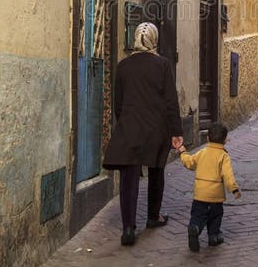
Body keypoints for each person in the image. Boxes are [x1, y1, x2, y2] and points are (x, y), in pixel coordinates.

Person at [103, 22, 183, 246]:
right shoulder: (163, 65)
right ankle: (153, 216)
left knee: (128, 178)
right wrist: (176, 131)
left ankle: (128, 228)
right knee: (156, 171)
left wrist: (125, 122)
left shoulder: (123, 66)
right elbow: (170, 101)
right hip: (156, 128)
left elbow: (118, 102)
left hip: (130, 127)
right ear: (154, 40)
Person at [174, 122, 241, 253]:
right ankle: (213, 236)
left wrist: (182, 152)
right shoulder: (223, 156)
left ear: (208, 138)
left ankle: (195, 227)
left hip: (200, 194)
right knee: (215, 216)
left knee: (198, 215)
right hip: (215, 196)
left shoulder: (202, 152)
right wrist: (234, 189)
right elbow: (228, 175)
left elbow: (190, 163)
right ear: (225, 140)